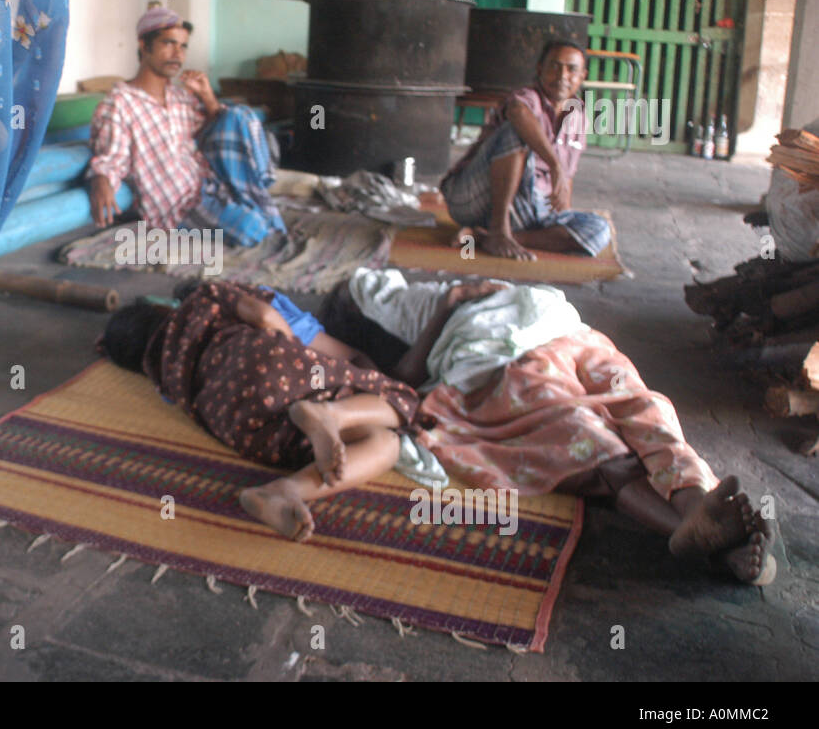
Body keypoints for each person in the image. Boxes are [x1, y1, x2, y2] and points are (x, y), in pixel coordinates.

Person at [318, 272, 779, 586]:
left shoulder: (397, 295)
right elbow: (405, 380)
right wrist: (447, 305)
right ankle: (709, 538)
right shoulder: (401, 318)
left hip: (567, 333)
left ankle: (698, 513)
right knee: (597, 434)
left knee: (642, 411)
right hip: (516, 354)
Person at [99, 281, 417, 542]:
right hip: (267, 363)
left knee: (385, 443)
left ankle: (281, 491)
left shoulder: (163, 380)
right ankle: (332, 415)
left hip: (240, 422)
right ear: (159, 308)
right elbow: (264, 316)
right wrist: (292, 350)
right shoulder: (202, 298)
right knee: (400, 399)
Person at [86, 7, 285, 247]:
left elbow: (218, 132)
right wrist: (100, 180)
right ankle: (246, 204)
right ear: (143, 45)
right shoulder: (120, 102)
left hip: (208, 185)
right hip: (178, 207)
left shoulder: (181, 98)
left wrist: (208, 96)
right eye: (168, 43)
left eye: (182, 46)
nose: (177, 54)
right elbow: (112, 157)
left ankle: (248, 194)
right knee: (253, 229)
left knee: (241, 117)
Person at [441, 40, 611, 262]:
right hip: (473, 197)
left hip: (527, 208)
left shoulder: (578, 117)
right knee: (516, 131)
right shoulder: (526, 99)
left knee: (599, 230)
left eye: (572, 69)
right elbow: (518, 112)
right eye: (554, 66)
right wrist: (554, 164)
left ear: (582, 76)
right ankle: (499, 230)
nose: (562, 76)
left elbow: (565, 179)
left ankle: (492, 238)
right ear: (539, 69)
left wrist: (560, 217)